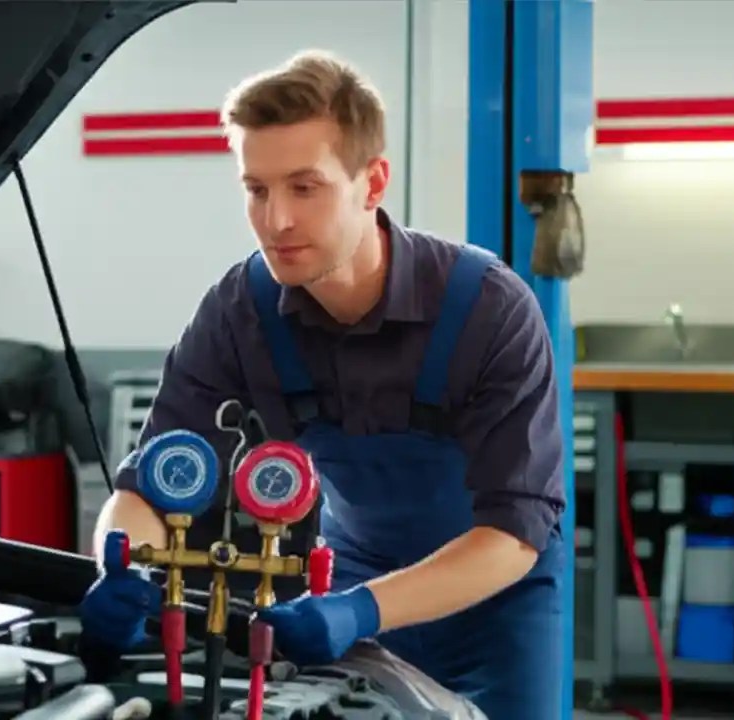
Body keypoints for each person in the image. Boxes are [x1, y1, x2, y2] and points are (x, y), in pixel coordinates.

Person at [80, 49, 566, 718]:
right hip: (345, 585)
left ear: (373, 183)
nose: (275, 219)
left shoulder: (487, 307)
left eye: (304, 187)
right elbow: (153, 480)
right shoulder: (240, 310)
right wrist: (123, 567)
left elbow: (514, 532)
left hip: (495, 605)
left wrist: (361, 611)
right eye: (257, 189)